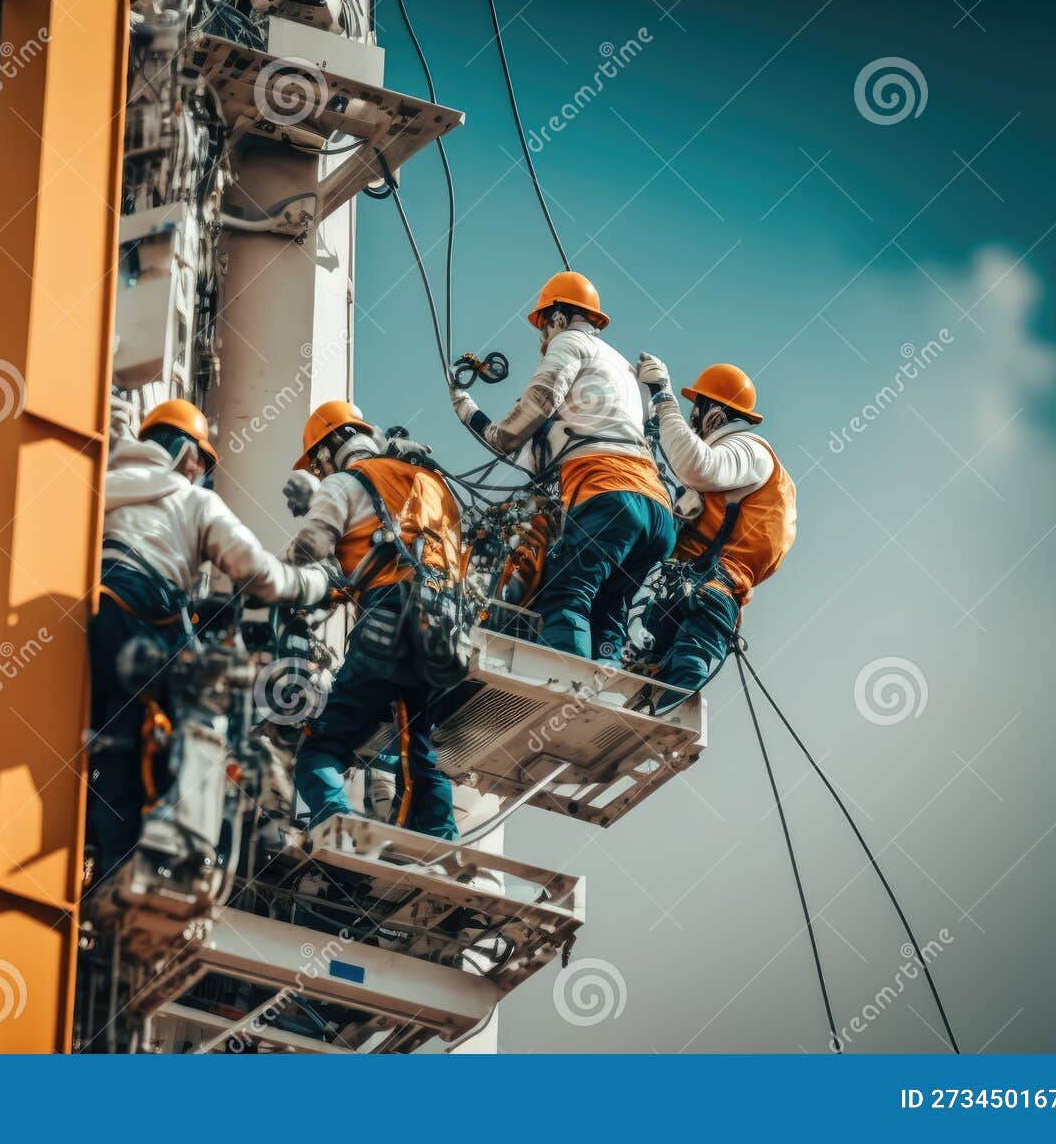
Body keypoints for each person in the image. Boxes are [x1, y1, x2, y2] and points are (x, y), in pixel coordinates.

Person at [88, 396, 331, 882]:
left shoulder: (101, 480)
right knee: (203, 714)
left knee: (112, 744)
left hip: (92, 615)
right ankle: (170, 843)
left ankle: (109, 857)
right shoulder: (194, 500)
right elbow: (257, 571)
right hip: (146, 615)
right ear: (183, 453)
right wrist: (314, 584)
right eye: (200, 458)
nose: (200, 469)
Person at [449, 271, 674, 663]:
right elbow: (562, 443)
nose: (542, 340)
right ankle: (601, 693)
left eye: (542, 329)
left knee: (565, 594)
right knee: (607, 608)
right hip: (656, 512)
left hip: (608, 495)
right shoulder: (620, 366)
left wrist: (468, 411)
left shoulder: (569, 342)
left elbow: (530, 414)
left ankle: (566, 688)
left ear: (557, 318)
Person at [283, 400, 463, 841]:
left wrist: (269, 578)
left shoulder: (346, 482)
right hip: (445, 630)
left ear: (329, 450)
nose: (320, 472)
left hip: (387, 618)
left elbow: (310, 547)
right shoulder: (433, 484)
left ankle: (341, 828)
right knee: (418, 753)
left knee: (319, 750)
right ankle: (443, 844)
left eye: (318, 463)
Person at [635, 357, 797, 714]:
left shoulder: (748, 450)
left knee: (686, 668)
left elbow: (698, 467)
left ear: (715, 414)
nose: (693, 419)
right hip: (697, 586)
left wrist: (663, 398)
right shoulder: (733, 464)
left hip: (712, 586)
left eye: (697, 409)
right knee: (656, 657)